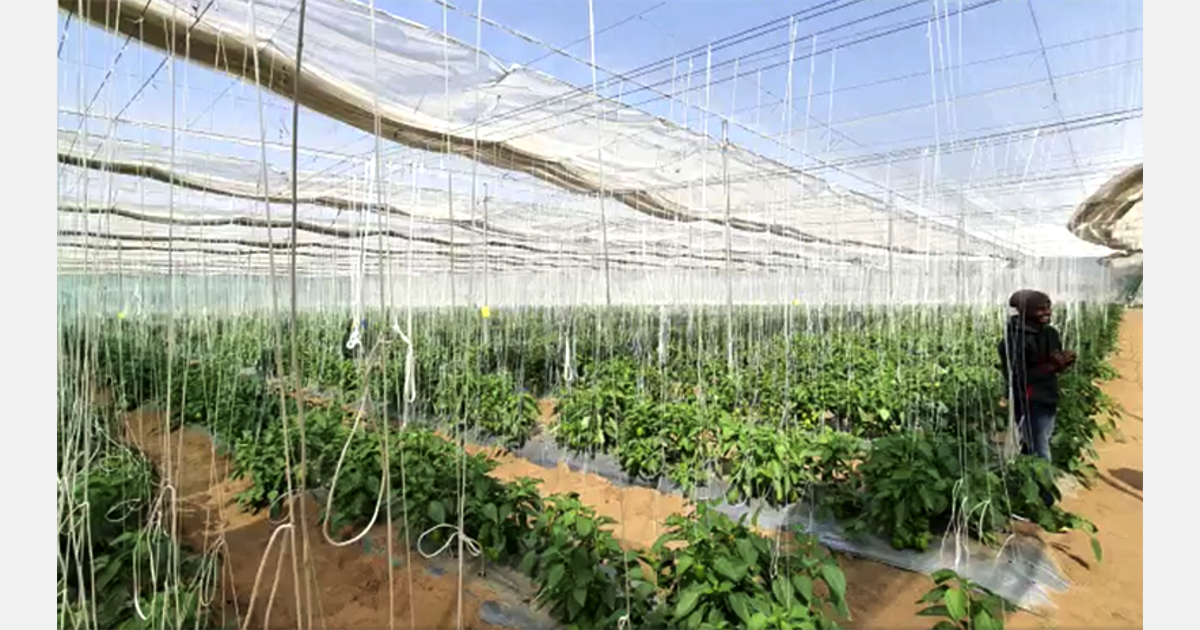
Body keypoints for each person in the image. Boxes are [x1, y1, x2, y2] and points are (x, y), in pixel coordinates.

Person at [997, 290, 1076, 477]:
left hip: (1048, 396)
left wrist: (1063, 362)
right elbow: (1017, 378)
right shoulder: (1013, 340)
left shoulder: (1050, 333)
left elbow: (1052, 363)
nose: (1047, 312)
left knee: (1034, 443)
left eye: (1048, 307)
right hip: (1028, 401)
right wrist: (1052, 366)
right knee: (1040, 449)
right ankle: (1043, 490)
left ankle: (1026, 480)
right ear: (1024, 311)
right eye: (1040, 309)